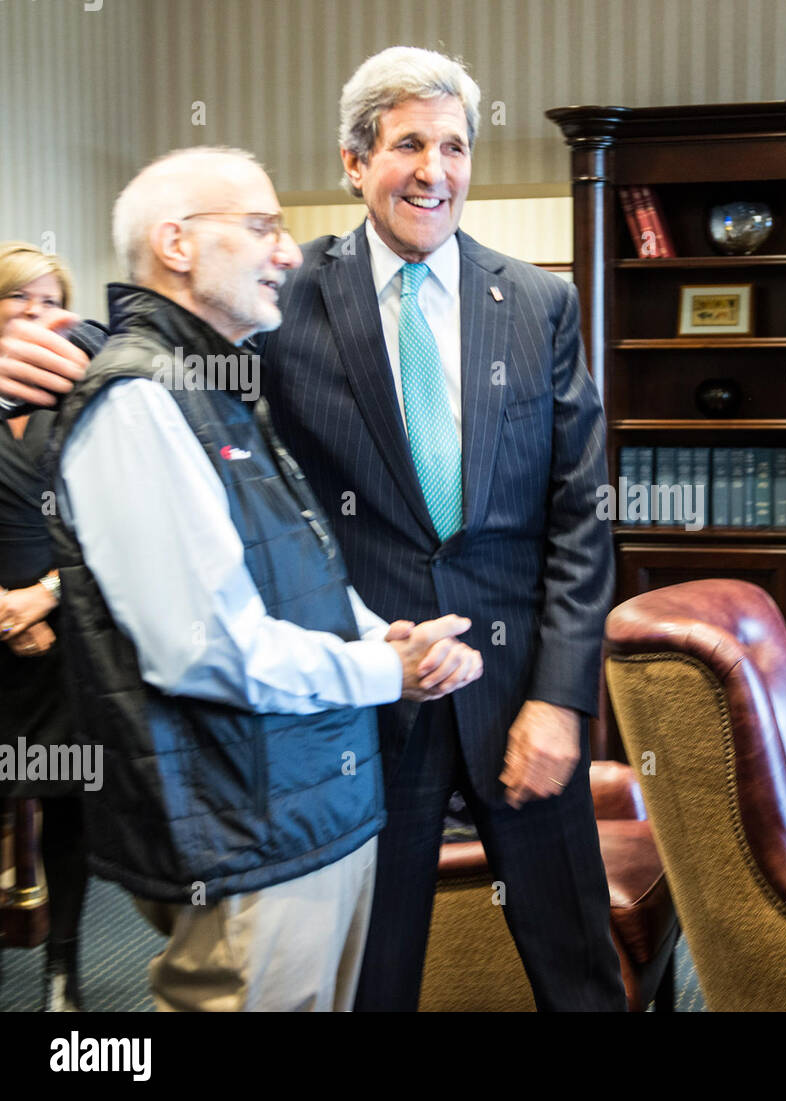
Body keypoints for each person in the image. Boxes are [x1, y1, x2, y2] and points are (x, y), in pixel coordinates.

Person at [1, 46, 625, 1011]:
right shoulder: (280, 298)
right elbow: (157, 338)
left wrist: (562, 697)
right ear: (354, 161)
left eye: (455, 146)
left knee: (577, 964)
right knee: (366, 975)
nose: (435, 170)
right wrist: (40, 348)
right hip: (360, 701)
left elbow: (581, 510)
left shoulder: (539, 302)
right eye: (408, 144)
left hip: (512, 682)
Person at [44, 147, 482, 1012]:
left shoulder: (215, 384)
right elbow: (205, 649)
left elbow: (294, 564)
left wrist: (374, 633)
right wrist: (381, 673)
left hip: (307, 808)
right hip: (246, 830)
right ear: (175, 243)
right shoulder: (139, 399)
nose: (288, 251)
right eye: (261, 227)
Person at [0, 244, 88, 1011]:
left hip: (65, 640)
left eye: (48, 300)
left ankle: (63, 972)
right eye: (18, 300)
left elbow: (119, 525)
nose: (34, 314)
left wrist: (43, 598)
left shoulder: (88, 401)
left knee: (66, 804)